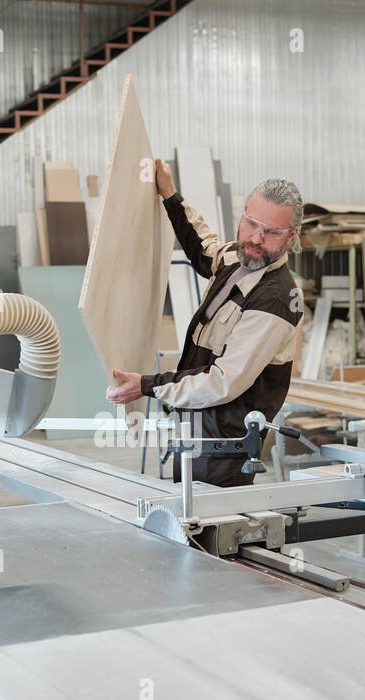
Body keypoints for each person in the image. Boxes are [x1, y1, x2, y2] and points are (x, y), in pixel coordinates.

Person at [106, 160, 304, 487]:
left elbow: (221, 382)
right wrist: (169, 193)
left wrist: (146, 385)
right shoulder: (236, 258)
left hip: (224, 448)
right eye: (251, 223)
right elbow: (202, 247)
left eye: (271, 232)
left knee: (208, 532)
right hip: (196, 431)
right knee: (182, 530)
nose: (255, 238)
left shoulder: (276, 298)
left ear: (291, 236)